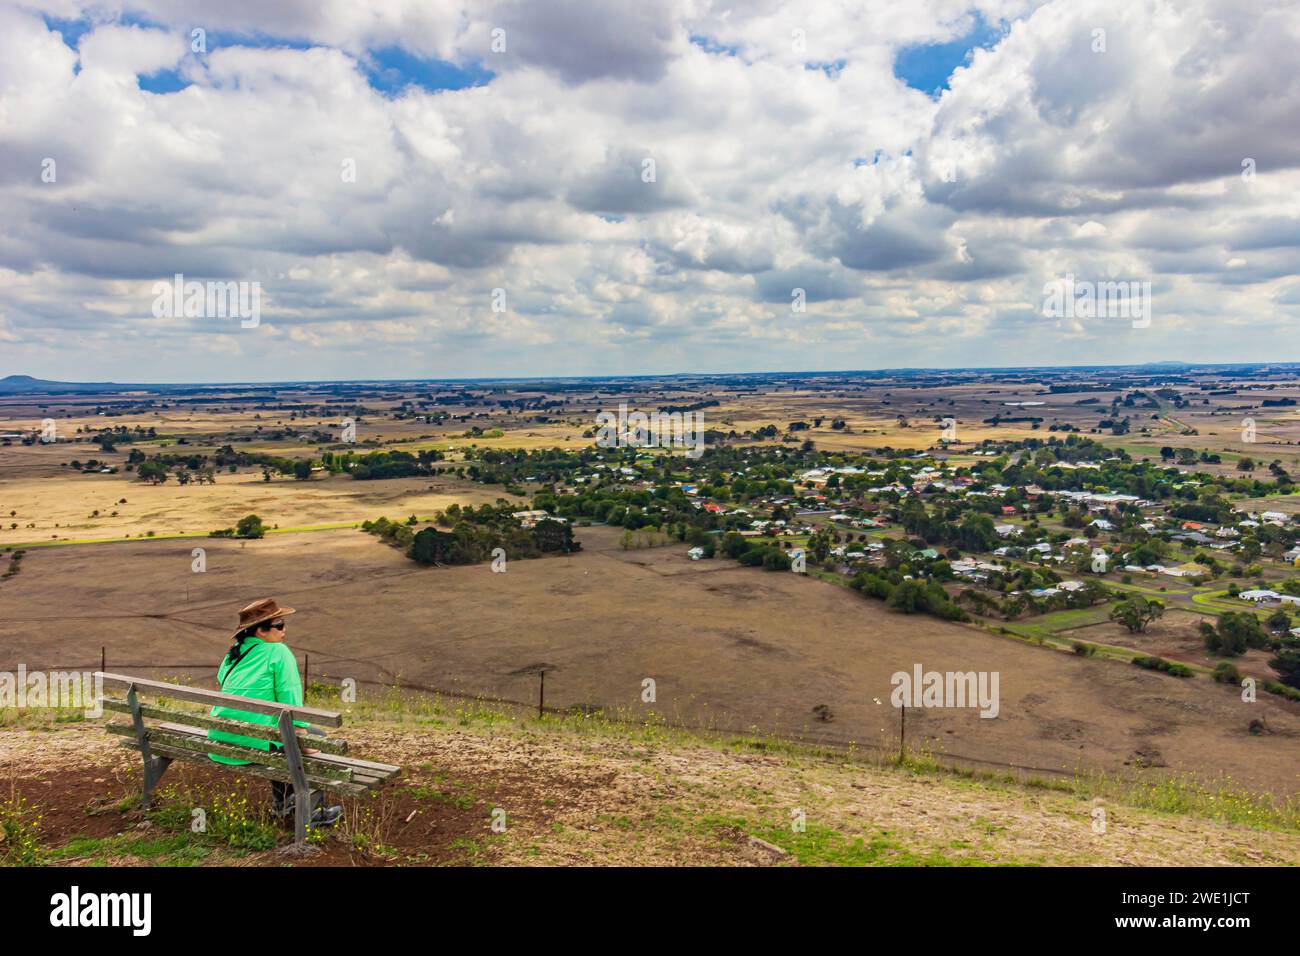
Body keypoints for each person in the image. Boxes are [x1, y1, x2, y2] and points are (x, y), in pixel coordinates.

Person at [208, 598, 342, 828]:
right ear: (260, 631)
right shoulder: (278, 652)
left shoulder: (234, 654)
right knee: (312, 737)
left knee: (277, 737)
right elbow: (290, 700)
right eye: (278, 625)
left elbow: (224, 683)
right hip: (251, 740)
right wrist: (304, 739)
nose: (284, 630)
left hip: (220, 738)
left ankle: (284, 803)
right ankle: (311, 812)